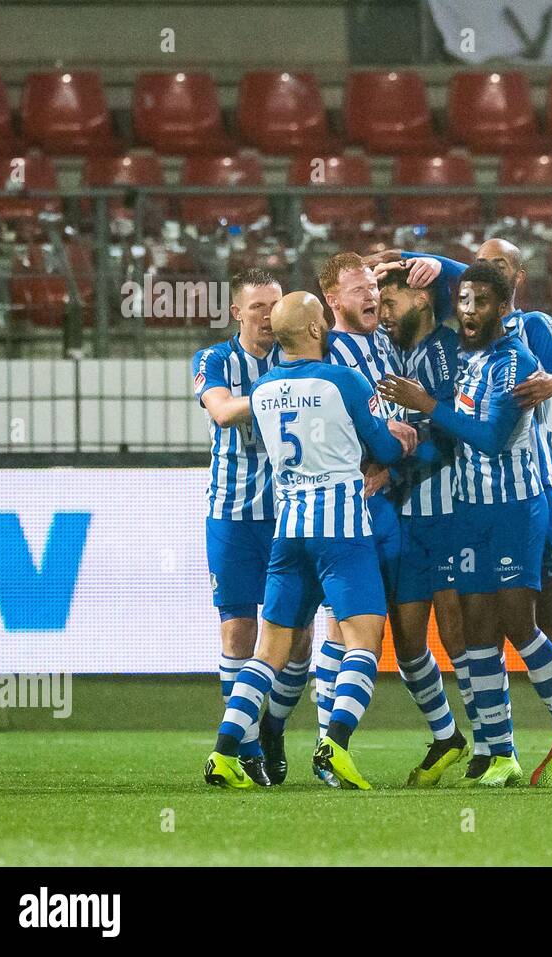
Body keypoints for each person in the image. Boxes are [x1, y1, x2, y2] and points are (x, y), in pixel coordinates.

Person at [377, 263, 552, 788]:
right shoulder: (469, 360)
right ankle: (501, 752)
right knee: (477, 633)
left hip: (514, 508)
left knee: (520, 625)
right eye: (465, 301)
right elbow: (455, 433)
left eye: (481, 302)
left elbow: (493, 437)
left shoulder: (515, 361)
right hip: (470, 507)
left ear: (503, 307)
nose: (470, 311)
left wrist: (427, 406)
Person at [204, 291, 414, 790]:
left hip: (288, 530)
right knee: (364, 641)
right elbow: (382, 446)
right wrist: (399, 439)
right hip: (342, 529)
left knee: (268, 651)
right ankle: (334, 745)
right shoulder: (344, 379)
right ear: (319, 330)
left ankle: (224, 752)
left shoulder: (263, 389)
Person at [313, 252, 466, 789]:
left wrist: (426, 263)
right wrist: (382, 444)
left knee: (405, 637)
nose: (371, 296)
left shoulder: (382, 340)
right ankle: (324, 743)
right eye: (358, 290)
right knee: (347, 630)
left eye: (372, 288)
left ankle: (447, 736)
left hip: (391, 502)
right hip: (352, 502)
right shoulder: (330, 351)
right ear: (333, 301)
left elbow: (482, 286)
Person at [192, 269, 310, 786]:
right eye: (258, 306)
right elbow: (220, 412)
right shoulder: (215, 359)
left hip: (295, 514)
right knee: (239, 629)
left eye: (276, 304)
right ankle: (243, 747)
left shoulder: (304, 354)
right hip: (234, 514)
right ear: (237, 313)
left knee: (299, 638)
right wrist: (280, 392)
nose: (268, 314)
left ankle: (275, 728)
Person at [374, 262, 476, 786]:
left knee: (459, 638)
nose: (383, 314)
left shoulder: (445, 351)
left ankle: (490, 745)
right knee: (409, 641)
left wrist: (393, 464)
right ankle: (446, 736)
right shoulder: (402, 353)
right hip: (408, 517)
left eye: (389, 303)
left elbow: (452, 436)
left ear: (420, 299)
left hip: (448, 515)